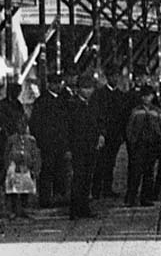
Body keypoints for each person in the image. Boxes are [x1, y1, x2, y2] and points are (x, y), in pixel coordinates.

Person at [67, 74, 106, 219]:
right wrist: (68, 148)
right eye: (85, 88)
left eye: (90, 88)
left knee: (88, 178)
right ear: (78, 89)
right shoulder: (72, 105)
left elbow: (100, 121)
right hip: (77, 146)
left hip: (92, 145)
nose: (88, 91)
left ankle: (84, 208)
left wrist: (101, 135)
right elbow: (68, 128)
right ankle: (74, 209)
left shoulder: (94, 104)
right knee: (78, 177)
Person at [30, 73, 69, 208]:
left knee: (60, 170)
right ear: (50, 84)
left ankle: (59, 196)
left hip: (61, 142)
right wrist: (40, 141)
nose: (58, 86)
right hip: (47, 143)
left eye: (60, 83)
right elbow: (35, 123)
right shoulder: (42, 101)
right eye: (56, 84)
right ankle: (45, 198)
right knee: (47, 171)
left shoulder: (63, 101)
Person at [124, 85, 161, 207]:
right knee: (136, 172)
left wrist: (160, 138)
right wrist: (131, 140)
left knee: (149, 171)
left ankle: (146, 197)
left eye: (148, 96)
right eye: (144, 96)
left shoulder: (157, 112)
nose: (146, 98)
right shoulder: (136, 111)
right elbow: (130, 127)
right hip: (139, 144)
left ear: (152, 96)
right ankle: (131, 198)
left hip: (152, 144)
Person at [91, 70, 129, 199]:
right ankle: (96, 190)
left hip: (115, 134)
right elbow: (98, 114)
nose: (115, 78)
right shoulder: (100, 94)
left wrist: (122, 134)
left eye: (116, 75)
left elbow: (123, 115)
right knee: (100, 163)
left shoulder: (121, 95)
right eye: (112, 75)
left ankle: (107, 188)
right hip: (104, 133)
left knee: (111, 163)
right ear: (108, 77)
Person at [4, 115, 40, 219]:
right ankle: (13, 210)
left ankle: (24, 209)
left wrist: (34, 167)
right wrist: (7, 166)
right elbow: (7, 153)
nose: (22, 127)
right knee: (14, 189)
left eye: (24, 125)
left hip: (26, 167)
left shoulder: (31, 140)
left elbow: (35, 153)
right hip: (14, 167)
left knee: (25, 189)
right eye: (20, 124)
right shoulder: (11, 139)